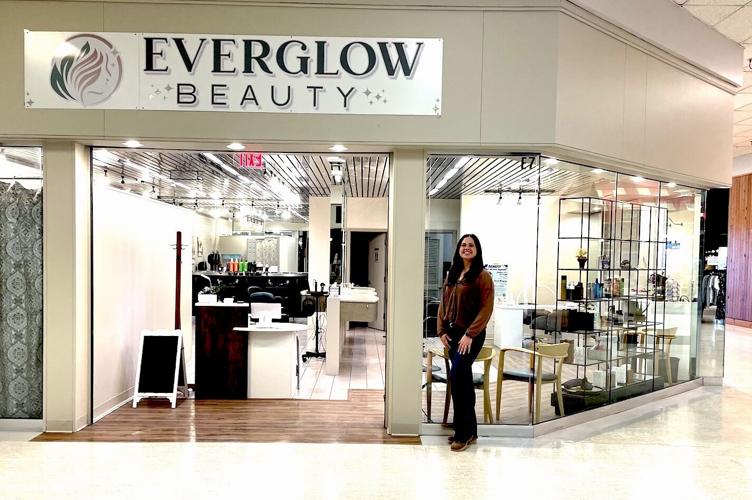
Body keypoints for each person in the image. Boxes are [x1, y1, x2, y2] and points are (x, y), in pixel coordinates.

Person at [437, 233, 494, 452]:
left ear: (477, 250)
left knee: (457, 376)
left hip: (471, 335)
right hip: (453, 334)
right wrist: (441, 330)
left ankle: (463, 433)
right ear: (459, 249)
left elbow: (486, 308)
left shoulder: (482, 276)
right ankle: (469, 430)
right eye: (463, 245)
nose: (467, 248)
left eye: (471, 245)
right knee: (463, 381)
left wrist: (470, 334)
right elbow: (443, 303)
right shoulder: (453, 273)